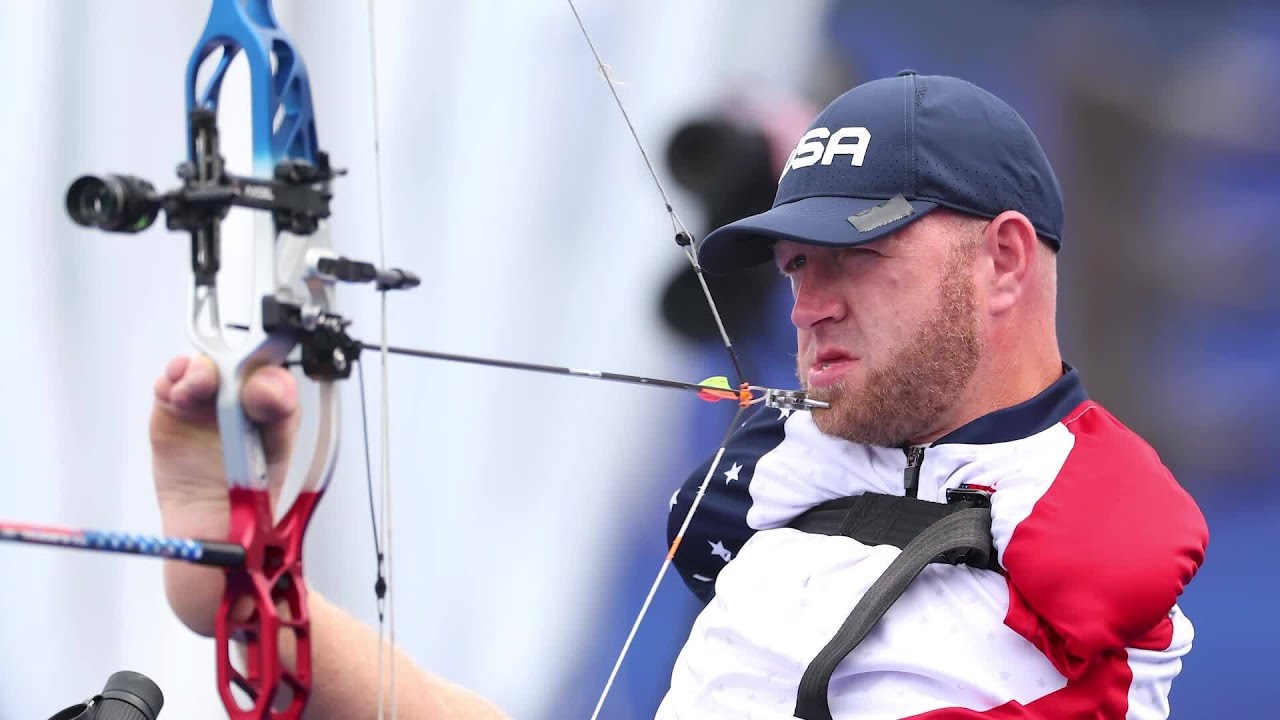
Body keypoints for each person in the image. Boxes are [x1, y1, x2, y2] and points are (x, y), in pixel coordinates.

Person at [150, 72, 1209, 718]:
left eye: (854, 257)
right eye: (793, 266)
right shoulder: (788, 507)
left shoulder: (1082, 537)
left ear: (1006, 262)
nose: (807, 305)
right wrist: (249, 585)